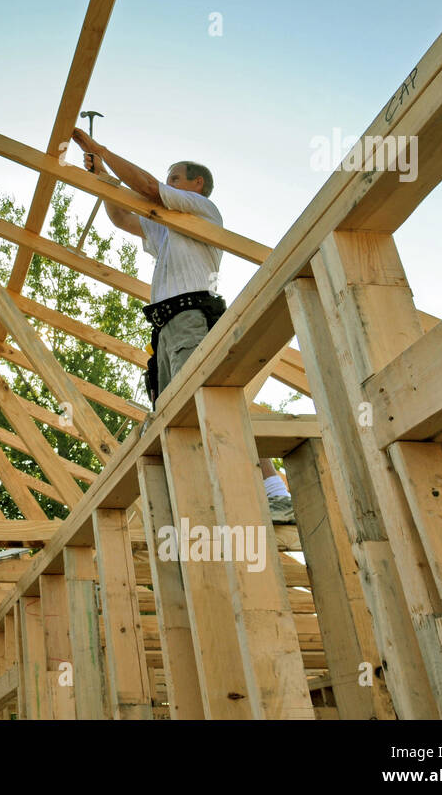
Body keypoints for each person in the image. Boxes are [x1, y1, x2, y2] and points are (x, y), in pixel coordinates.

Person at [70, 128, 294, 523]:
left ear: (197, 185)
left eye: (175, 177)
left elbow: (148, 190)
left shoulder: (202, 211)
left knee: (214, 401)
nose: (168, 183)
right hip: (166, 326)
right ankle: (209, 498)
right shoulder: (170, 229)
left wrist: (101, 150)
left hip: (193, 316)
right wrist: (101, 176)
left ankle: (274, 493)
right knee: (176, 417)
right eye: (169, 178)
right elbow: (123, 215)